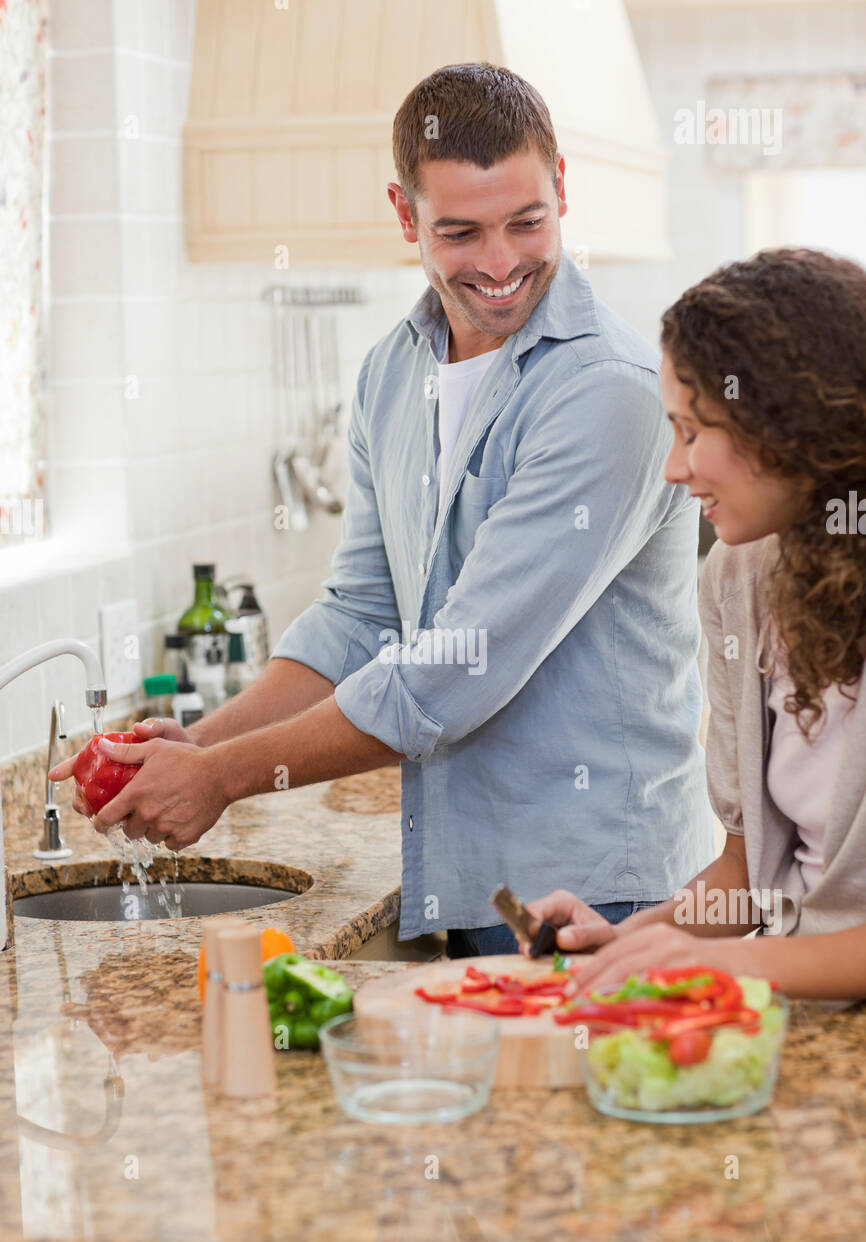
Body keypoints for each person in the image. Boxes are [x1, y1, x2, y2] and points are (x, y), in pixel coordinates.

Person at [51, 63, 713, 956]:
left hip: (604, 894)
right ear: (405, 216)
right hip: (469, 878)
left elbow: (453, 670)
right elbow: (361, 617)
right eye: (460, 231)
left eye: (527, 221)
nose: (500, 263)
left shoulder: (607, 394)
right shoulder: (392, 373)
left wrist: (220, 776)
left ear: (562, 186)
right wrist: (198, 743)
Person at [527, 247, 866, 999]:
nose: (673, 469)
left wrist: (723, 965)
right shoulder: (737, 582)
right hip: (792, 1028)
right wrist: (627, 941)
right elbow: (750, 872)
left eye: (692, 431)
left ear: (787, 425)